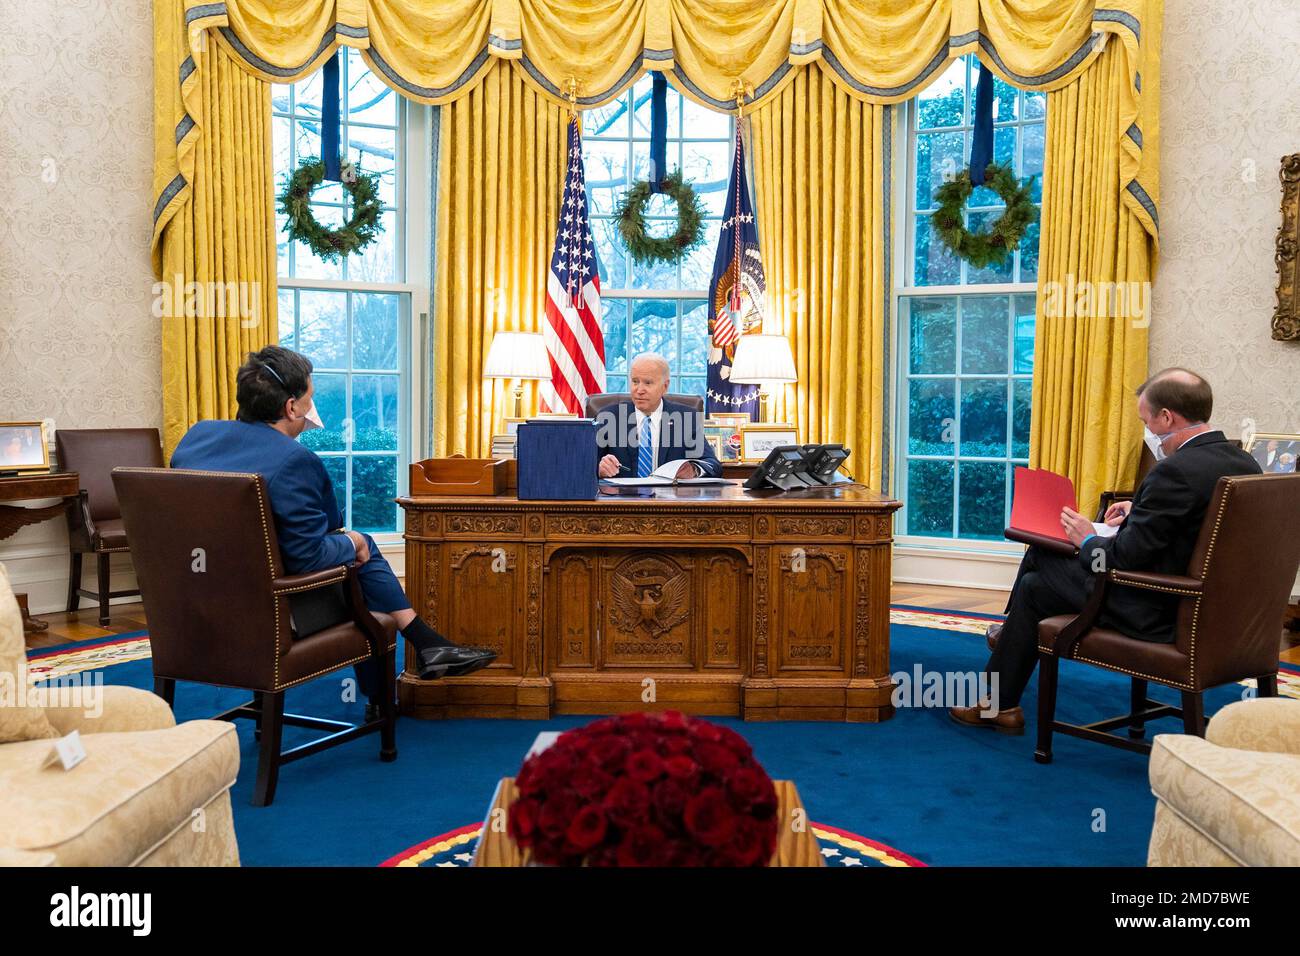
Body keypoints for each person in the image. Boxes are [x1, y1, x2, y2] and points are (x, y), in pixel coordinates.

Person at [950, 367, 1262, 734]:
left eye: (1147, 421)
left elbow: (1121, 559)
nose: (1148, 432)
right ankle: (1000, 688)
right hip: (1221, 614)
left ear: (1167, 417)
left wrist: (1086, 538)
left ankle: (1000, 686)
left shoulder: (1175, 472)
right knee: (1040, 567)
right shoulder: (1243, 462)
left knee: (1039, 568)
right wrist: (1139, 511)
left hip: (1157, 609)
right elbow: (1195, 527)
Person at [170, 345, 496, 684]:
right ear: (291, 407)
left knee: (355, 550)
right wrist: (353, 541)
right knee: (360, 562)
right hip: (274, 611)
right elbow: (309, 555)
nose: (312, 406)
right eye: (309, 397)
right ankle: (398, 677)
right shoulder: (293, 460)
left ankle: (427, 645)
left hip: (196, 604)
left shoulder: (197, 437)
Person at [594, 353, 722, 479]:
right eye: (635, 381)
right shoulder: (610, 417)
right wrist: (598, 469)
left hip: (669, 498)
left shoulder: (685, 419)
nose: (639, 390)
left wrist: (694, 470)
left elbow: (712, 465)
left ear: (665, 386)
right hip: (621, 497)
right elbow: (583, 463)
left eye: (648, 383)